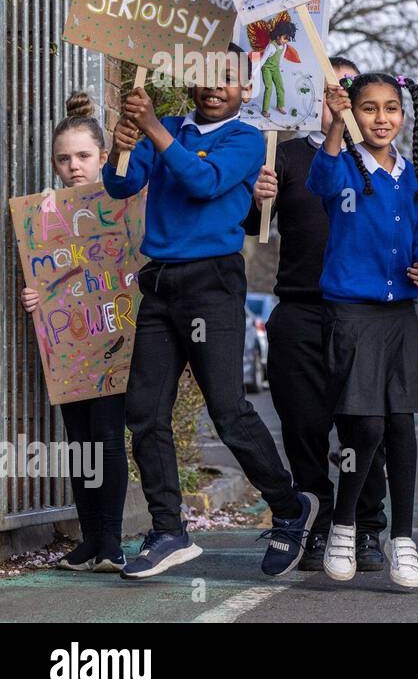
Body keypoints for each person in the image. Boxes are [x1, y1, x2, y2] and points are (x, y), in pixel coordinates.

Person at [105, 53, 316, 579]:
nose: (214, 87)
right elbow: (120, 186)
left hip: (212, 283)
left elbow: (202, 181)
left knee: (227, 409)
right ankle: (168, 529)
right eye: (204, 76)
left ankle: (290, 508)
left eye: (227, 79)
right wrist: (122, 145)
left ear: (246, 89)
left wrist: (153, 128)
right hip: (159, 280)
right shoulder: (170, 129)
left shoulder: (246, 140)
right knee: (143, 411)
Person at [242, 56, 418, 572]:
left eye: (346, 93)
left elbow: (405, 225)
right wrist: (257, 197)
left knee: (370, 422)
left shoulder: (388, 165)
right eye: (329, 94)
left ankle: (367, 524)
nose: (338, 103)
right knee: (304, 424)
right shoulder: (288, 156)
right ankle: (317, 523)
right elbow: (254, 223)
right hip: (301, 309)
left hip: (370, 311)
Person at [309, 73, 418, 588]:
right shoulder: (341, 166)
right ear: (353, 115)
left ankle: (403, 540)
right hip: (352, 314)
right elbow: (320, 181)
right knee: (363, 427)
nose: (381, 118)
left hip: (401, 317)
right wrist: (333, 128)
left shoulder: (410, 176)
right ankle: (343, 525)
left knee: (401, 427)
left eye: (391, 108)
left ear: (403, 116)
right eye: (368, 109)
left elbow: (417, 238)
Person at [18, 94, 130, 573]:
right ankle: (90, 542)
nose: (73, 166)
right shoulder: (44, 217)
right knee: (78, 442)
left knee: (107, 436)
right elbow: (51, 277)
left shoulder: (126, 200)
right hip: (67, 342)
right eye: (63, 158)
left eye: (82, 156)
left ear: (102, 157)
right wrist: (35, 297)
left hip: (115, 337)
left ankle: (112, 542)